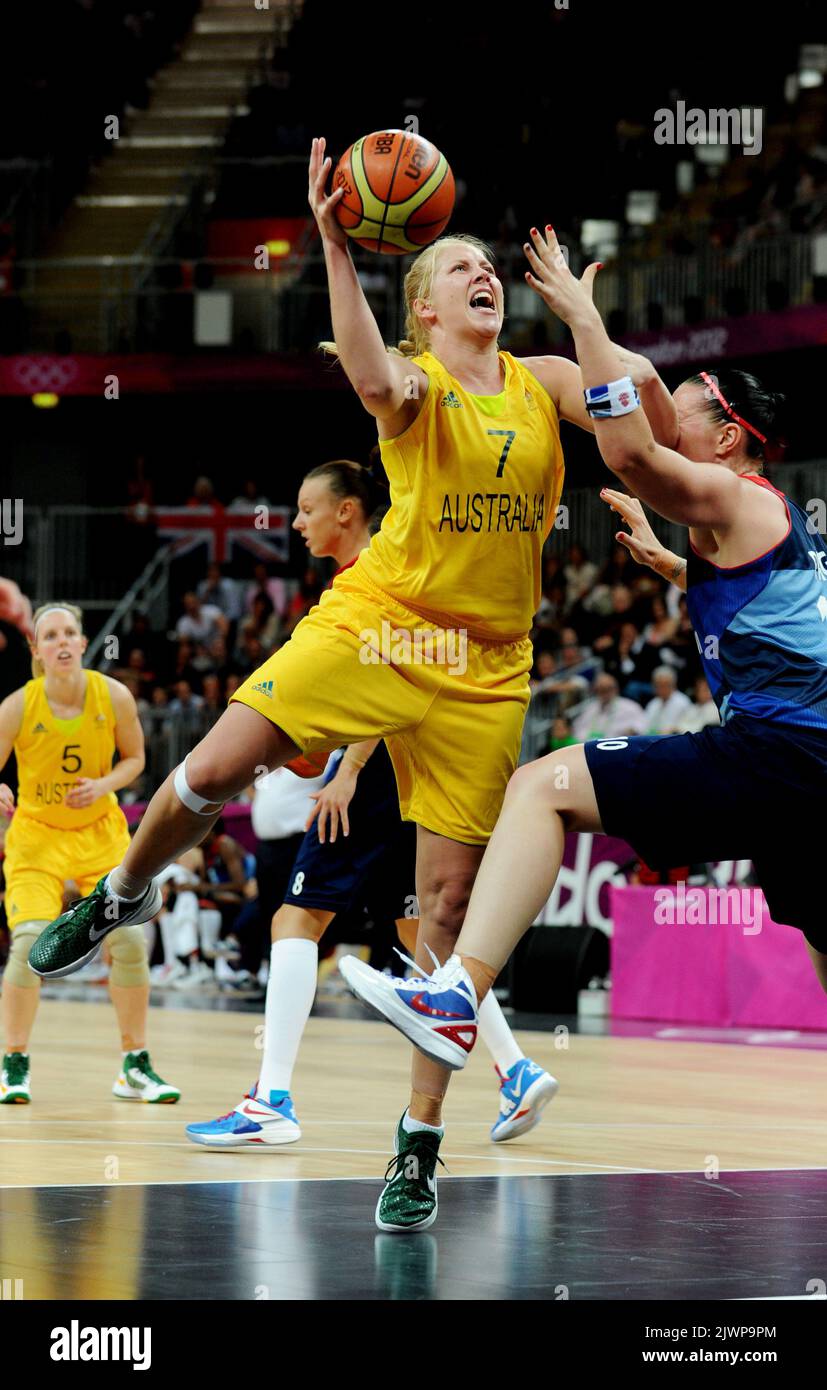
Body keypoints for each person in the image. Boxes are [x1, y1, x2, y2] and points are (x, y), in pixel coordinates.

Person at [30, 149, 677, 1233]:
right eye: (456, 266)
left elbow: (638, 419)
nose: (481, 271)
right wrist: (333, 246)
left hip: (485, 669)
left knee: (443, 915)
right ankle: (123, 893)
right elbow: (374, 380)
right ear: (421, 310)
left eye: (486, 262)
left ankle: (416, 1147)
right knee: (215, 764)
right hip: (384, 625)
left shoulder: (543, 378)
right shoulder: (416, 382)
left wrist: (579, 316)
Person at [338, 233, 827, 1231]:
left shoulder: (724, 491)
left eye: (679, 402)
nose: (658, 405)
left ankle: (455, 991)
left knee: (543, 788)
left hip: (780, 754)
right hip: (809, 766)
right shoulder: (755, 523)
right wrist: (680, 573)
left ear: (724, 434)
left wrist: (580, 318)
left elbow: (621, 446)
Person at [186, 461, 558, 1151]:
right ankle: (515, 1068)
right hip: (414, 766)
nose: (296, 522)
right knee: (425, 938)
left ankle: (271, 1100)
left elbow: (397, 681)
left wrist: (348, 768)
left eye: (305, 508)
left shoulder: (382, 576)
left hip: (382, 766)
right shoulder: (389, 570)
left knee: (298, 917)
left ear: (348, 512)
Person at [0, 603, 179, 1104]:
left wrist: (102, 783)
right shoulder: (16, 706)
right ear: (36, 650)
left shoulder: (114, 695)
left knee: (129, 944)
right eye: (49, 635)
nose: (61, 642)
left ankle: (135, 1065)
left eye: (69, 633)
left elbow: (138, 760)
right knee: (28, 945)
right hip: (36, 835)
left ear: (82, 642)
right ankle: (14, 1063)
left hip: (100, 833)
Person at [571, 673, 646, 741]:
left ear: (616, 689)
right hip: (591, 748)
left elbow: (641, 727)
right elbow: (578, 728)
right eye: (601, 690)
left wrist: (631, 731)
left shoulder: (630, 706)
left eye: (608, 689)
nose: (605, 693)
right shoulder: (590, 708)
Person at [643, 666, 692, 734]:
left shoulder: (683, 702)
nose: (662, 689)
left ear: (673, 684)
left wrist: (674, 729)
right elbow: (645, 728)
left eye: (665, 685)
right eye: (659, 685)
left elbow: (689, 727)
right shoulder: (652, 704)